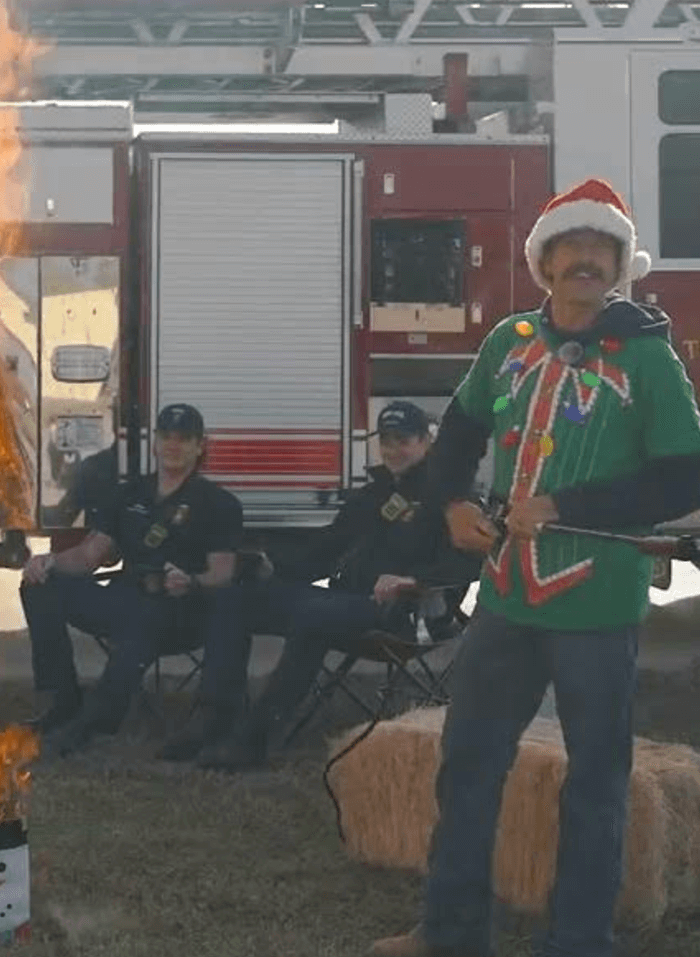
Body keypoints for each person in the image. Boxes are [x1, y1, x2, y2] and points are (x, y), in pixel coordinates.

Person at [372, 179, 700, 957]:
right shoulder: (510, 340)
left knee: (594, 782)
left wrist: (562, 503)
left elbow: (685, 474)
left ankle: (578, 940)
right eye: (571, 247)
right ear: (544, 261)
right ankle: (451, 934)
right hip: (508, 597)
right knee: (469, 765)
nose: (586, 260)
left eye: (601, 250)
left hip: (597, 605)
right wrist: (450, 500)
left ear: (621, 263)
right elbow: (459, 429)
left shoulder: (648, 354)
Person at [156, 401, 478, 769]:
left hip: (409, 613)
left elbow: (472, 559)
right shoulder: (373, 494)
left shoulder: (450, 494)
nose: (392, 450)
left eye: (403, 440)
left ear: (425, 443)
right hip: (349, 604)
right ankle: (211, 719)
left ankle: (253, 740)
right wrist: (268, 564)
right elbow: (323, 552)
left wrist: (415, 581)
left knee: (313, 616)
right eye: (386, 441)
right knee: (237, 597)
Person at [18, 403, 248, 757]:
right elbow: (90, 555)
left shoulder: (219, 504)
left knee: (144, 620)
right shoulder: (130, 493)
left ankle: (92, 723)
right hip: (125, 599)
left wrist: (192, 581)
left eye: (184, 438)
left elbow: (223, 572)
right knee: (39, 586)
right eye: (166, 437)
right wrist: (48, 562)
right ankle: (63, 699)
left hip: (179, 609)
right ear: (154, 442)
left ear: (200, 446)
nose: (173, 445)